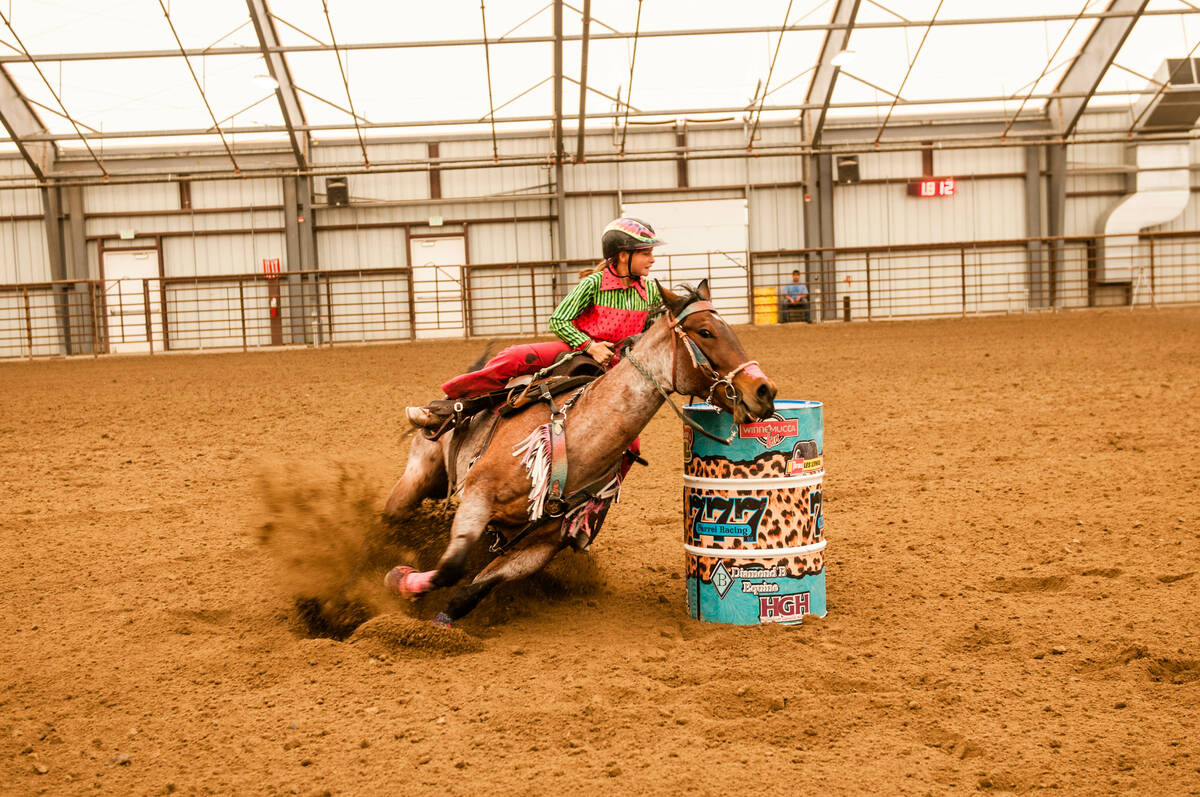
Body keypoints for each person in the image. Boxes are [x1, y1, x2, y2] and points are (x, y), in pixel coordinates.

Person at [406, 216, 665, 427]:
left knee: (633, 447)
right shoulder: (593, 284)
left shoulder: (651, 291)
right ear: (622, 255)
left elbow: (651, 334)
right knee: (515, 357)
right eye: (646, 253)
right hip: (577, 352)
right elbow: (559, 320)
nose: (652, 259)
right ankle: (447, 406)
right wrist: (591, 346)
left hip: (616, 371)